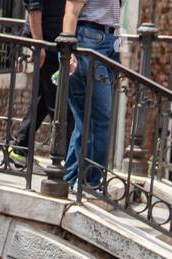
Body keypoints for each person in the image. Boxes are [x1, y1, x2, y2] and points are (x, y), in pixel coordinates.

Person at [61, 0, 122, 187]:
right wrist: (68, 51)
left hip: (109, 42)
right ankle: (90, 181)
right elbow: (71, 11)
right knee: (99, 119)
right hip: (89, 41)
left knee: (84, 121)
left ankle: (72, 178)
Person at [8, 0, 71, 169]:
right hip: (49, 44)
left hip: (56, 43)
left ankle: (19, 149)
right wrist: (39, 45)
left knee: (44, 97)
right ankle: (64, 163)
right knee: (57, 102)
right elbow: (34, 7)